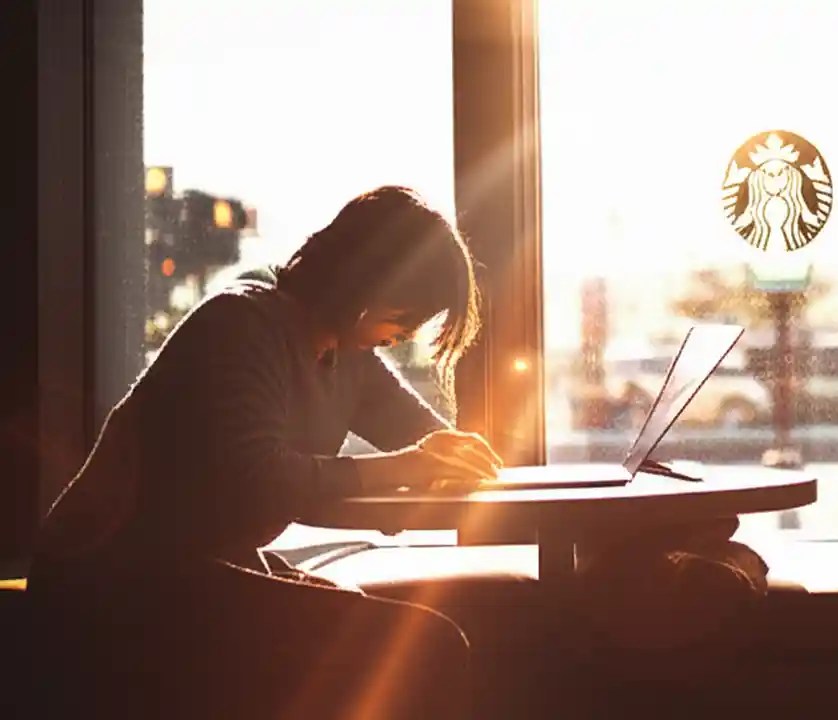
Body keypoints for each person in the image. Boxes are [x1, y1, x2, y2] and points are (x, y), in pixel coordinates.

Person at [27, 186, 501, 719]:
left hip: (193, 576)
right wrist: (405, 466)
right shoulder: (239, 325)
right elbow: (255, 482)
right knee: (424, 648)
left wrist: (456, 459)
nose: (411, 331)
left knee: (370, 637)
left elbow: (422, 439)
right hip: (115, 588)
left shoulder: (345, 353)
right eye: (410, 311)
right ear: (367, 281)